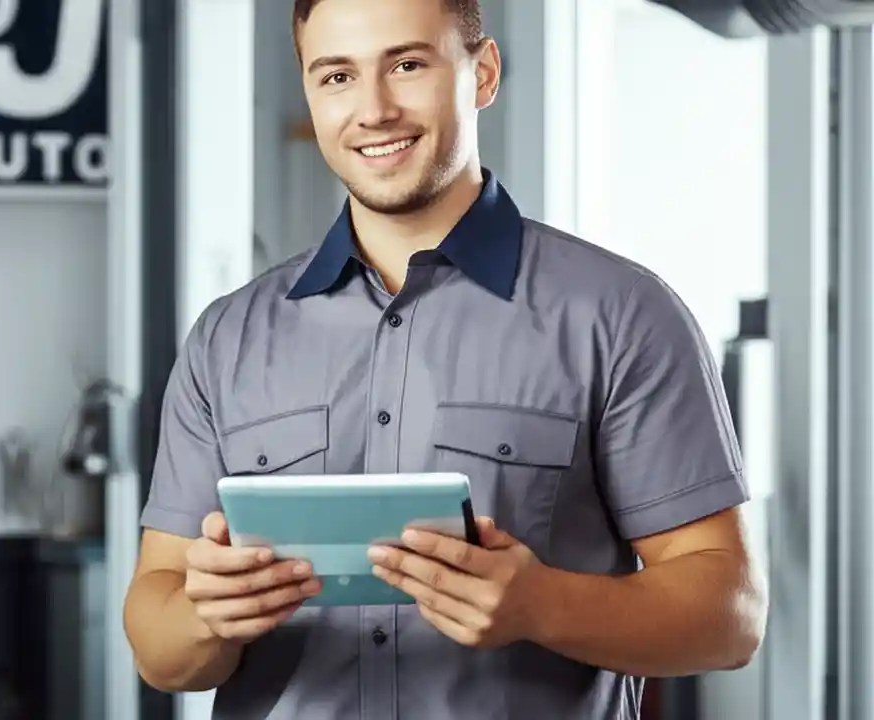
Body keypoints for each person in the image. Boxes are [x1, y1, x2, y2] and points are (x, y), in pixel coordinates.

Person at [122, 0, 767, 717]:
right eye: (337, 76)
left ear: (482, 73)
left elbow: (730, 617)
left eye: (406, 65)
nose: (374, 110)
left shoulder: (621, 315)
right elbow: (158, 645)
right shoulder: (227, 338)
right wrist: (207, 617)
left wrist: (541, 605)